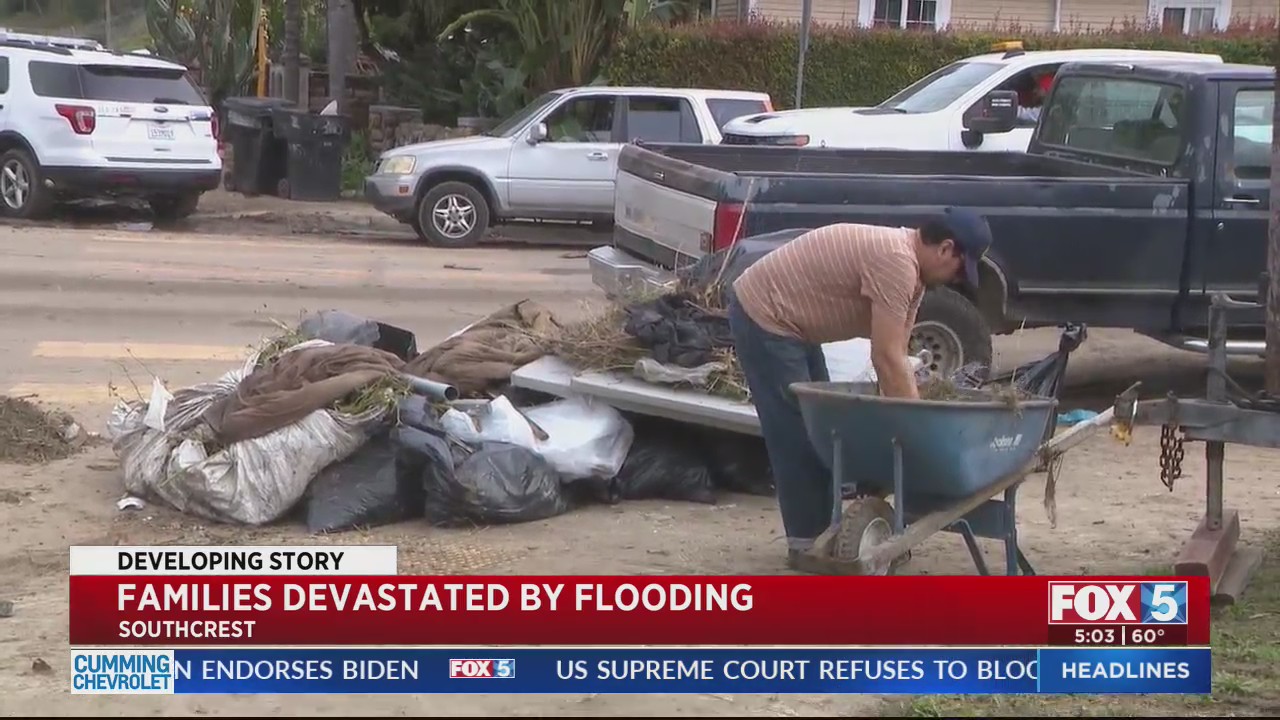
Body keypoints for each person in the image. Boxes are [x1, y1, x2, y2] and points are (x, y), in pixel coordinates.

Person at [726, 208, 994, 569]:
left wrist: (898, 430)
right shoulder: (896, 261)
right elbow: (884, 356)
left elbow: (896, 355)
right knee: (798, 434)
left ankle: (829, 533)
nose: (955, 280)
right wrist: (920, 435)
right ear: (946, 249)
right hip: (765, 315)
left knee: (819, 427)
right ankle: (807, 546)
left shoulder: (912, 273)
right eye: (960, 270)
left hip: (793, 324)